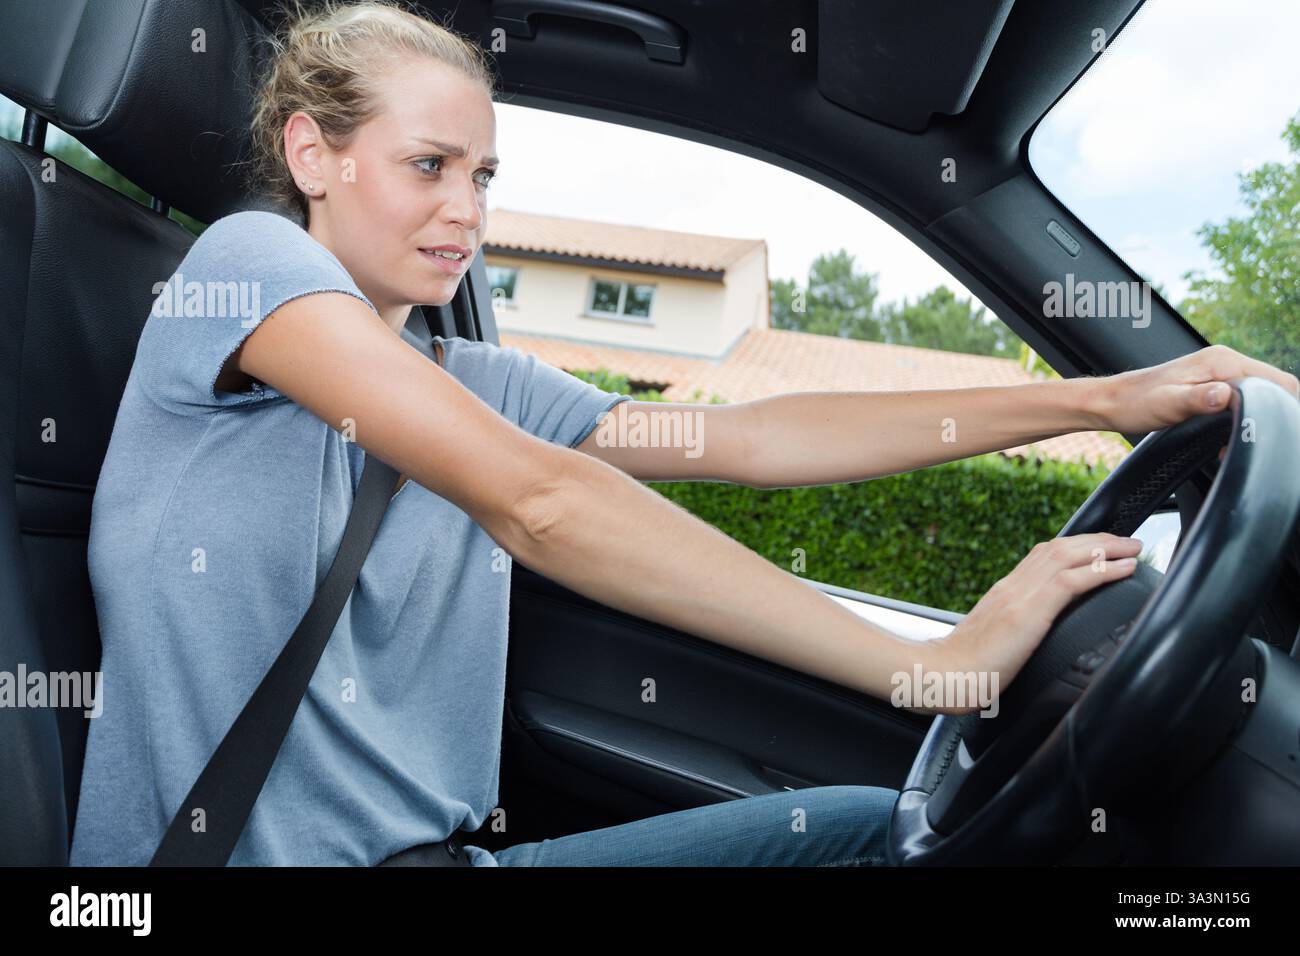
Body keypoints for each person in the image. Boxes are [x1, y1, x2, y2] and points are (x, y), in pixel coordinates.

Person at [68, 0, 1300, 867]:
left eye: (484, 176)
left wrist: (1100, 400)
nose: (467, 212)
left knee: (866, 831)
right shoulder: (244, 268)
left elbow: (750, 440)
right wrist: (928, 665)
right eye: (428, 164)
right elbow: (540, 500)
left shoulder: (472, 377)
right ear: (311, 154)